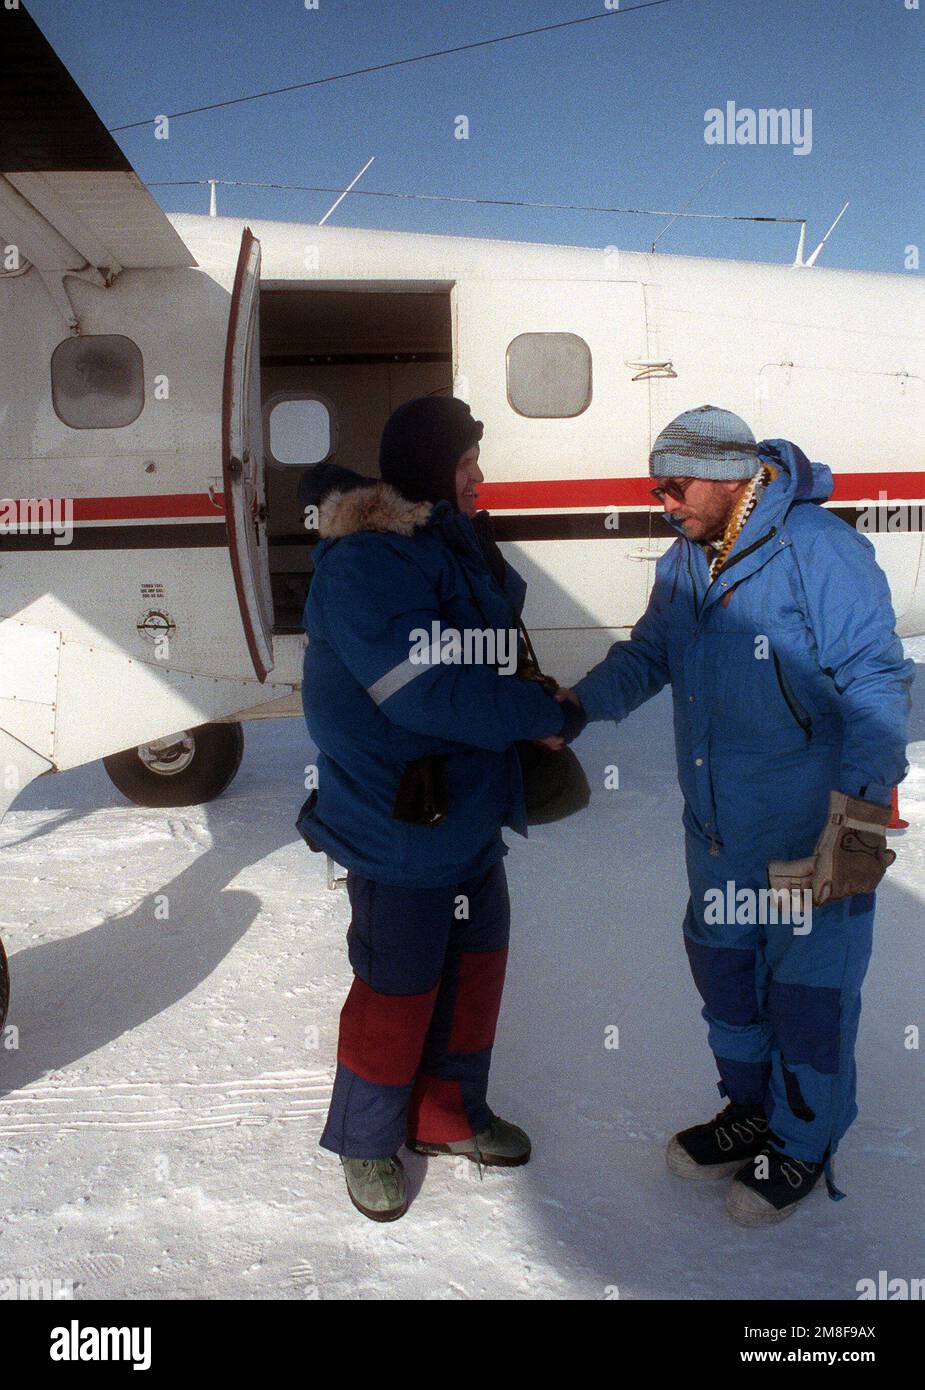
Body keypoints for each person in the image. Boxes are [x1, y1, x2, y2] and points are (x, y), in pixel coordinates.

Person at [563, 405, 912, 1226]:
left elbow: (873, 677)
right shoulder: (688, 560)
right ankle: (750, 1110)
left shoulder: (819, 552)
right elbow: (651, 653)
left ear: (726, 475)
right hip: (717, 833)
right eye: (658, 486)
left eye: (673, 484)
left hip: (807, 831)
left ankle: (802, 1138)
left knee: (805, 995)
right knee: (726, 984)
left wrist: (858, 810)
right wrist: (575, 709)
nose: (663, 501)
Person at [297, 396, 583, 1222]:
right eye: (464, 464)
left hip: (466, 815)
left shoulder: (450, 548)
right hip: (400, 823)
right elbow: (422, 688)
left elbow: (485, 655)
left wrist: (531, 689)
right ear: (429, 469)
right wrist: (538, 717)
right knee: (398, 987)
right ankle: (364, 1138)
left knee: (473, 974)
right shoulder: (366, 564)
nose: (478, 478)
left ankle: (446, 1116)